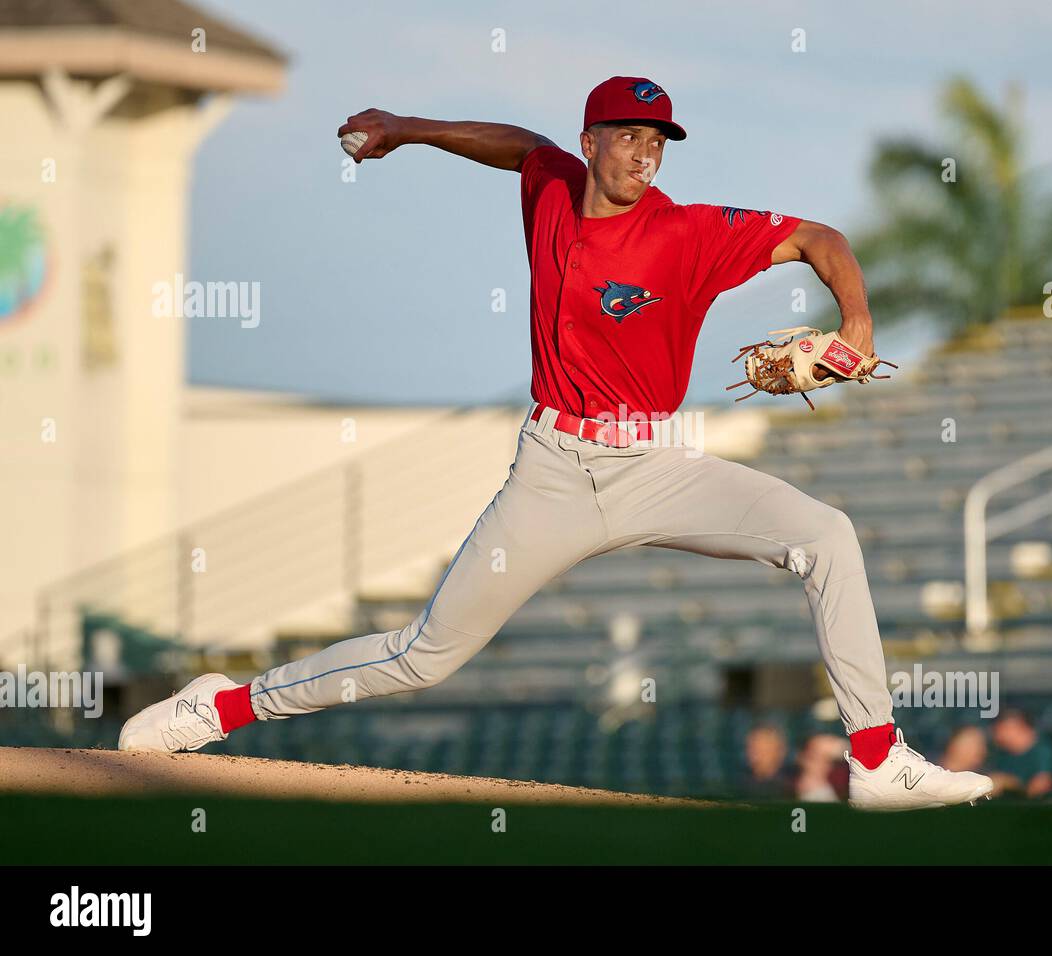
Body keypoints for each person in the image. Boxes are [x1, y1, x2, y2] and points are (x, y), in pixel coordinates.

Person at [117, 75, 992, 811]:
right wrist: (406, 131)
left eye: (660, 140)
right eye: (631, 136)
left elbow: (816, 237)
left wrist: (858, 320)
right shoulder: (548, 186)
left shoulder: (687, 234)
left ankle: (876, 760)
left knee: (826, 534)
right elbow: (513, 142)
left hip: (654, 465)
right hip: (553, 473)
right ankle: (220, 707)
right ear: (591, 142)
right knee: (424, 658)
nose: (648, 154)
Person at [987, 709, 1052, 798]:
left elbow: (1040, 787)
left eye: (1003, 729)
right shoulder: (1002, 754)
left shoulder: (1042, 752)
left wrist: (1009, 783)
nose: (998, 735)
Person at [740, 725, 794, 800]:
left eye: (761, 750)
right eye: (751, 748)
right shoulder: (741, 784)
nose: (753, 755)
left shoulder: (792, 785)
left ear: (779, 751)